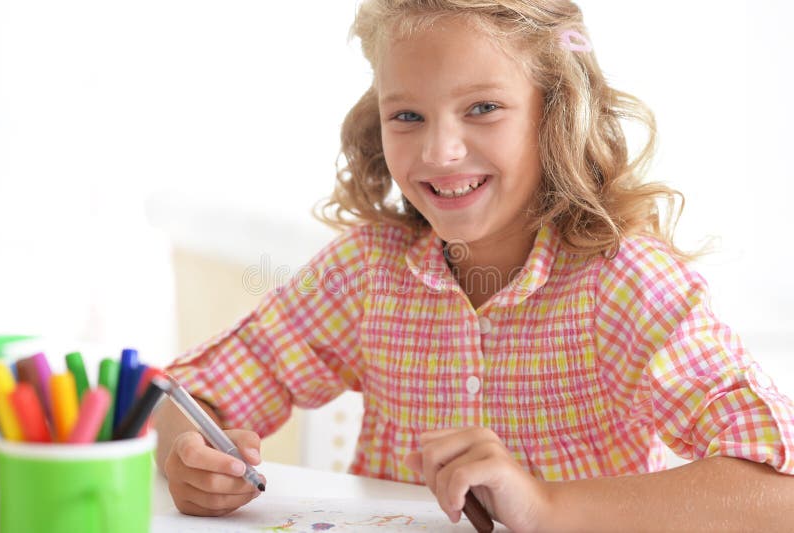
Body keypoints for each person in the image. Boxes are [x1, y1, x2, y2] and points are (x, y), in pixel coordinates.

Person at [154, 1, 794, 530]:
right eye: (407, 115)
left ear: (556, 114)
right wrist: (187, 455)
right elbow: (177, 395)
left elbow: (778, 490)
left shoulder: (626, 282)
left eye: (482, 108)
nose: (440, 150)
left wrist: (546, 507)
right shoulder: (366, 273)